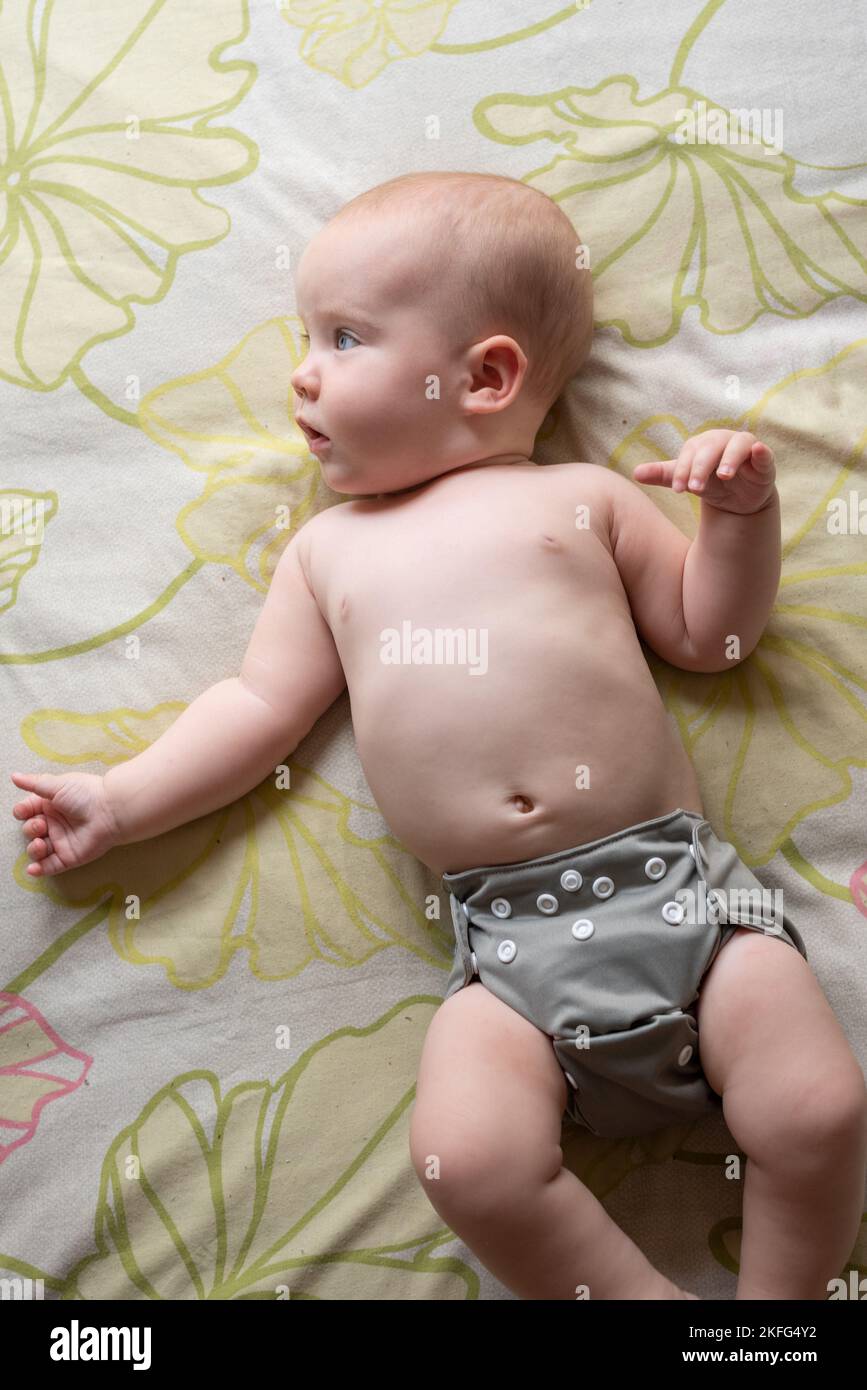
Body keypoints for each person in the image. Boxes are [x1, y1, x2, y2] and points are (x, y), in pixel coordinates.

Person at [11, 171, 867, 1301]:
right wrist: (121, 801)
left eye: (345, 337)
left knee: (818, 1106)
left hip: (685, 904)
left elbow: (713, 640)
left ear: (486, 376)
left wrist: (738, 523)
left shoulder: (584, 499)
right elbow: (258, 710)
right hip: (507, 960)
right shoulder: (327, 553)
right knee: (464, 1161)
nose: (301, 373)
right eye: (306, 336)